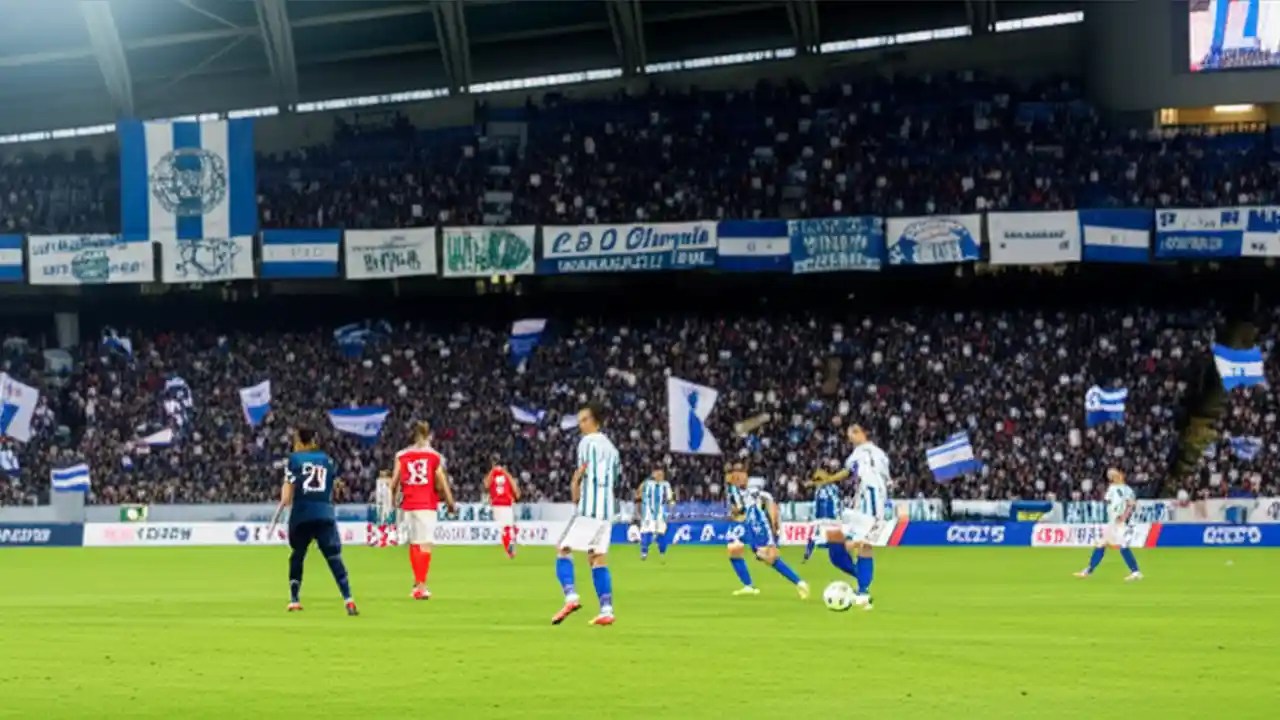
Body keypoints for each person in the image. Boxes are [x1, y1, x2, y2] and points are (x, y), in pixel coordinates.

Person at [273, 427, 357, 615]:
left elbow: (287, 496)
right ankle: (348, 599)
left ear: (300, 442)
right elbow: (337, 488)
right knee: (334, 557)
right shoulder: (327, 460)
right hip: (324, 512)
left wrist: (283, 505)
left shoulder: (294, 460)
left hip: (302, 513)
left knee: (298, 554)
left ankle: (294, 599)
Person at [552, 401, 619, 627]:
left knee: (562, 549)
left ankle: (571, 597)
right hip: (607, 510)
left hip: (589, 509)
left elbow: (580, 476)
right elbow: (615, 478)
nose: (580, 425)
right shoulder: (613, 449)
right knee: (597, 558)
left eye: (584, 420)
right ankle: (606, 610)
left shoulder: (586, 443)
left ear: (595, 421)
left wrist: (575, 489)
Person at [822, 424, 889, 610]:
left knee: (861, 545)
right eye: (848, 432)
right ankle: (862, 588)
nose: (850, 435)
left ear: (864, 433)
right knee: (857, 547)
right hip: (862, 499)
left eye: (854, 431)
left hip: (871, 497)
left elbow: (850, 472)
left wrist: (829, 479)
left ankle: (863, 592)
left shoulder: (865, 451)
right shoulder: (878, 454)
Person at [388, 421, 457, 600]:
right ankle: (421, 585)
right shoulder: (434, 456)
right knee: (425, 544)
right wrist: (450, 503)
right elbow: (441, 481)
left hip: (408, 504)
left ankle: (417, 583)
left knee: (414, 543)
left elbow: (394, 482)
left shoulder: (401, 455)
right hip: (426, 503)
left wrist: (394, 501)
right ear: (429, 436)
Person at [724, 461, 809, 599]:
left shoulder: (753, 490)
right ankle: (748, 586)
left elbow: (747, 507)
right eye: (735, 474)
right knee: (734, 550)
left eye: (741, 474)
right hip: (746, 524)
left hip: (757, 523)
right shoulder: (733, 490)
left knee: (767, 556)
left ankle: (799, 582)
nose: (738, 477)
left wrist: (775, 525)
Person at [1075, 468, 1143, 581]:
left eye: (1112, 475)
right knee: (1102, 543)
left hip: (1119, 522)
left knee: (1121, 545)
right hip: (1114, 521)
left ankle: (1136, 571)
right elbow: (1120, 503)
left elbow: (1130, 504)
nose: (1110, 478)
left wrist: (1124, 516)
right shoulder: (1120, 489)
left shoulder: (1120, 489)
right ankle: (1089, 570)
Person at [803, 464, 842, 562]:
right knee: (814, 535)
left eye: (818, 479)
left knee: (833, 536)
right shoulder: (819, 490)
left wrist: (838, 514)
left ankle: (838, 554)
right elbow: (815, 503)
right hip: (820, 517)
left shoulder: (832, 488)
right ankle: (808, 552)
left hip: (830, 516)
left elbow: (837, 501)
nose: (817, 482)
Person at [635, 466, 674, 561]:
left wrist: (670, 511)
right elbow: (638, 495)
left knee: (662, 534)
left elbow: (670, 499)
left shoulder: (666, 485)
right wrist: (639, 509)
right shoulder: (647, 484)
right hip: (648, 513)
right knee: (646, 533)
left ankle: (662, 553)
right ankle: (644, 553)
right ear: (653, 474)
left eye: (662, 474)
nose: (660, 476)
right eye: (658, 474)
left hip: (661, 514)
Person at [485, 457, 520, 559]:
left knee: (505, 529)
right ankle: (511, 544)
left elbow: (486, 485)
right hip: (506, 504)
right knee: (507, 528)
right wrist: (506, 473)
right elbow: (516, 490)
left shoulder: (493, 475)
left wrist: (492, 470)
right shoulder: (507, 476)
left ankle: (510, 549)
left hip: (498, 504)